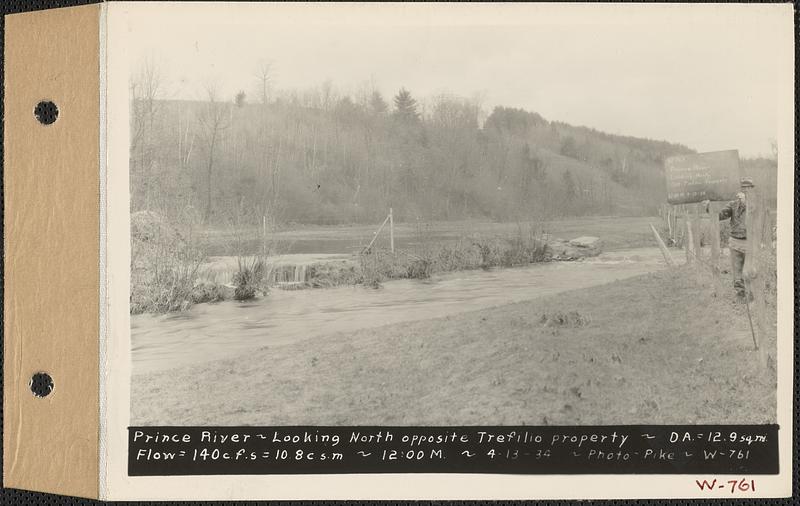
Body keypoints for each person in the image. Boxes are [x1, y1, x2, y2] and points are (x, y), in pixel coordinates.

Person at [702, 177, 754, 301]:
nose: (745, 191)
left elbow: (757, 215)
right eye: (743, 188)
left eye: (748, 188)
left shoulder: (755, 204)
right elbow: (719, 216)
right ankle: (740, 296)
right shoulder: (733, 204)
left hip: (751, 242)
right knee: (737, 272)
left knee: (750, 271)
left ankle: (752, 296)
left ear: (752, 189)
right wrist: (709, 206)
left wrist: (746, 202)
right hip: (735, 242)